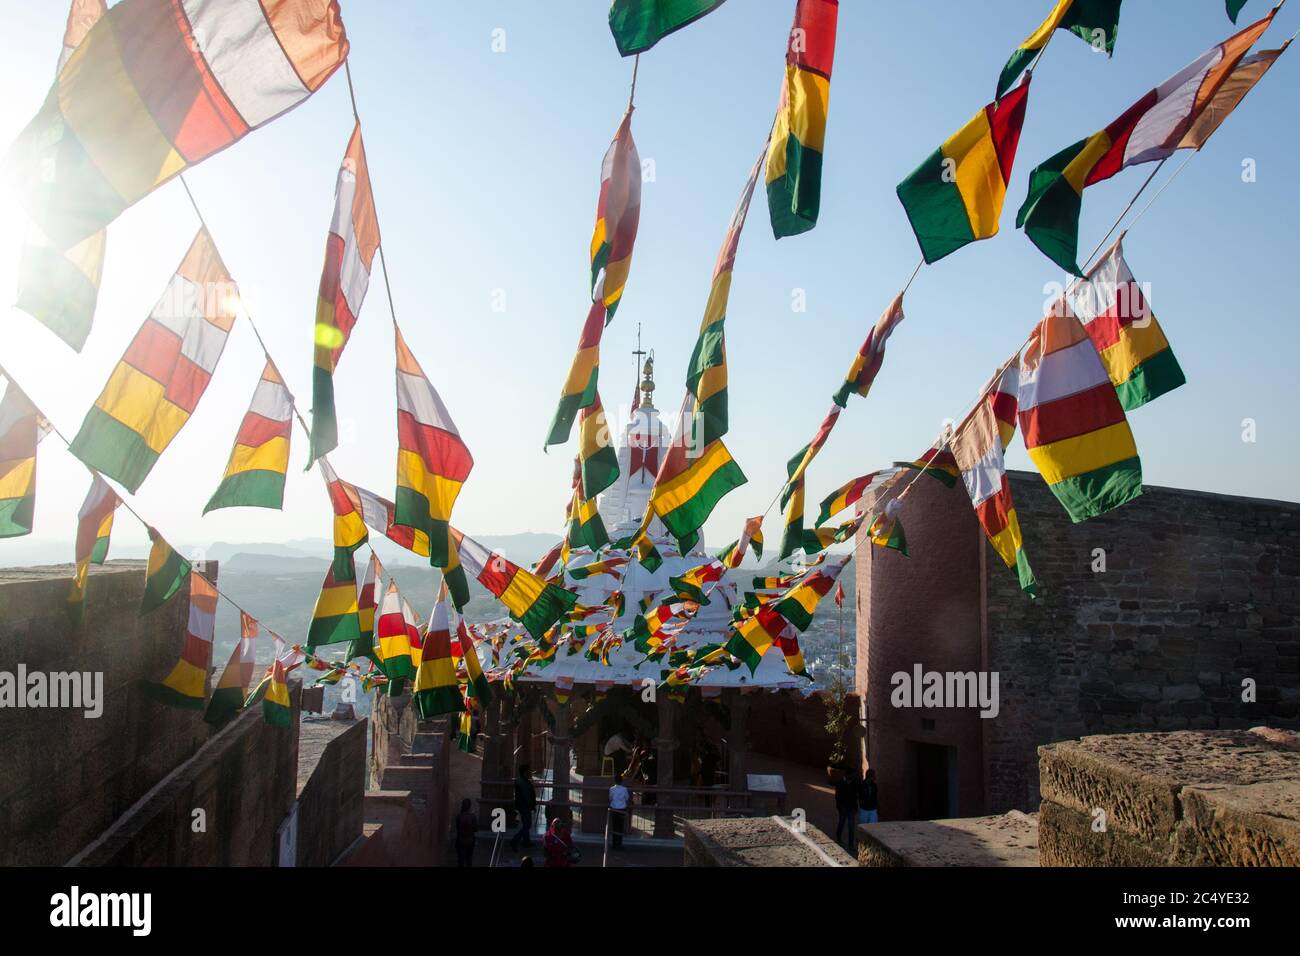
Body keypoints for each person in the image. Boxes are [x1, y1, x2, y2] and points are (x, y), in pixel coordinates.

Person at [509, 764, 537, 852]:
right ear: (525, 772)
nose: (530, 773)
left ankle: (526, 841)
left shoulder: (521, 780)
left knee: (526, 823)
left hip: (523, 805)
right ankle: (515, 840)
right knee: (527, 825)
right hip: (525, 806)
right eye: (528, 771)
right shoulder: (523, 782)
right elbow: (527, 795)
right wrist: (531, 804)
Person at [834, 767, 860, 852]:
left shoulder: (855, 783)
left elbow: (856, 796)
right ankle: (838, 836)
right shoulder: (840, 783)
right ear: (848, 775)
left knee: (851, 827)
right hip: (843, 807)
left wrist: (856, 807)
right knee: (842, 822)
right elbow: (837, 797)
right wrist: (839, 807)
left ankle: (851, 845)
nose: (853, 776)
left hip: (851, 807)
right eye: (852, 774)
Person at [608, 772, 631, 849]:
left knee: (615, 826)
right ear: (622, 781)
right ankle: (620, 844)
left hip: (614, 809)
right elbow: (627, 798)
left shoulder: (611, 789)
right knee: (620, 826)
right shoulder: (624, 789)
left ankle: (614, 844)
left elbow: (610, 798)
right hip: (622, 809)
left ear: (614, 781)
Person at [454, 798, 477, 868]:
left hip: (460, 840)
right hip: (470, 841)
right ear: (469, 807)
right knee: (469, 859)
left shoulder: (458, 816)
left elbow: (457, 828)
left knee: (460, 860)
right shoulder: (473, 817)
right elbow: (475, 829)